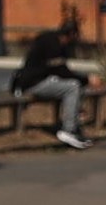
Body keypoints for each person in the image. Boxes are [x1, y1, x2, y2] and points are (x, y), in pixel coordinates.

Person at [13, 11, 92, 149]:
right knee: (73, 87)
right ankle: (69, 130)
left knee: (74, 85)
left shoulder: (59, 44)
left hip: (44, 80)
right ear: (71, 34)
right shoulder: (51, 43)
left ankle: (75, 125)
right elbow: (61, 71)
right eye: (75, 36)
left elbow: (61, 71)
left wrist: (84, 81)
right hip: (32, 83)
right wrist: (87, 79)